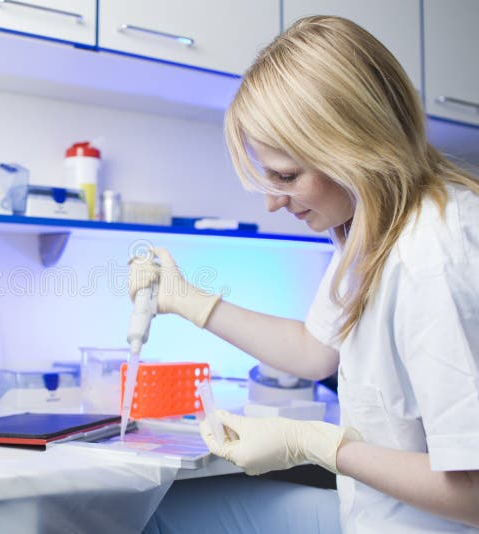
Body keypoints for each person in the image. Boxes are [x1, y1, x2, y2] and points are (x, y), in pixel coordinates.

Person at [132, 15, 479, 534]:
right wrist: (189, 301)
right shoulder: (372, 225)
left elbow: (473, 492)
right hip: (378, 516)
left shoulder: (433, 255)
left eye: (286, 176)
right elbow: (313, 350)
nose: (272, 201)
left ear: (357, 146)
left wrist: (317, 445)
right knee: (163, 516)